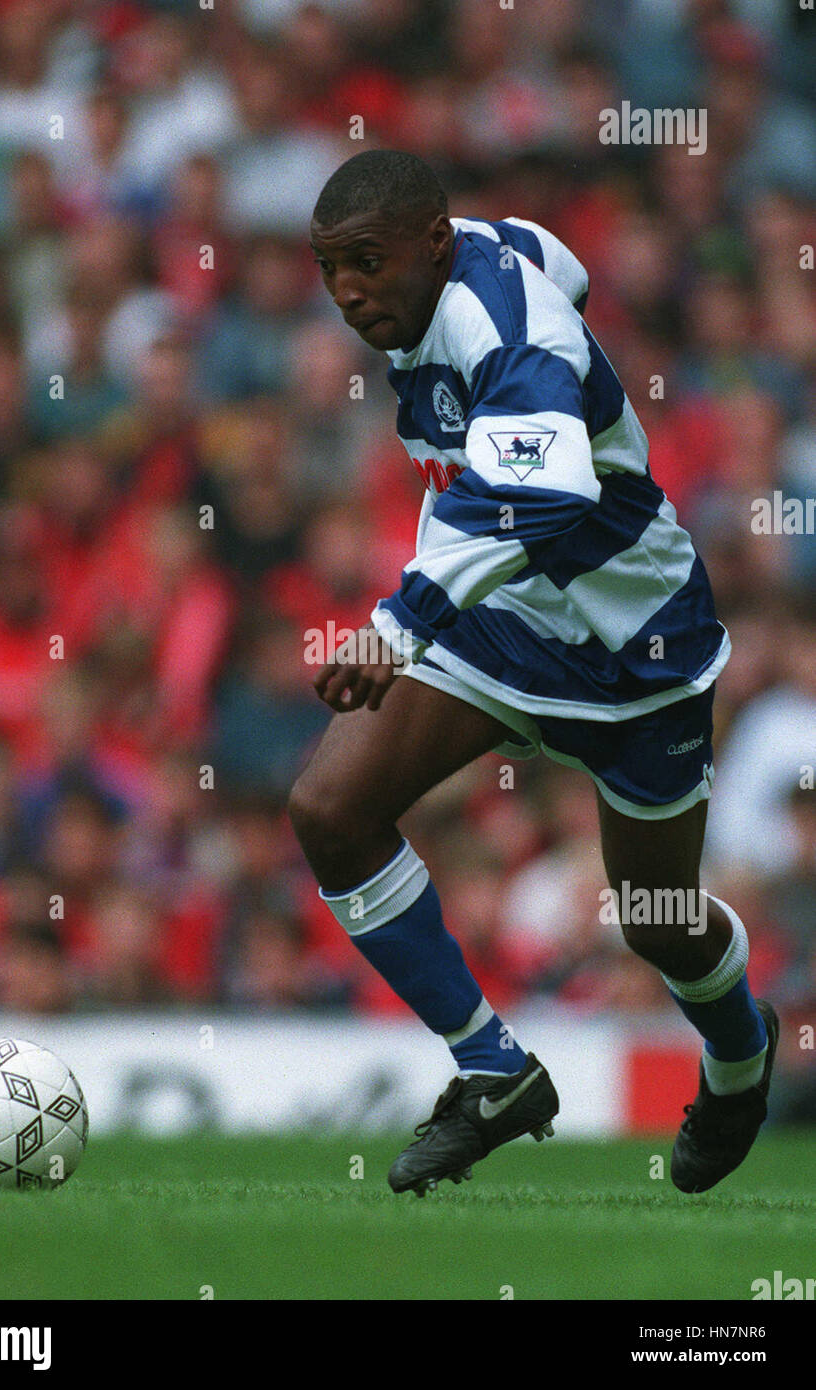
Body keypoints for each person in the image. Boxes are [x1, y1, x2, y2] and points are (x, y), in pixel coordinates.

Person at [288, 149, 778, 1197]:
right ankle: (494, 1067)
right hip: (503, 624)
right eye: (332, 271)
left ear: (430, 245)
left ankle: (739, 1059)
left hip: (632, 643)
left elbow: (543, 494)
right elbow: (560, 261)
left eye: (366, 264)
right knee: (330, 806)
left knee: (654, 917)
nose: (348, 292)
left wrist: (400, 619)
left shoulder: (504, 327)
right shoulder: (486, 257)